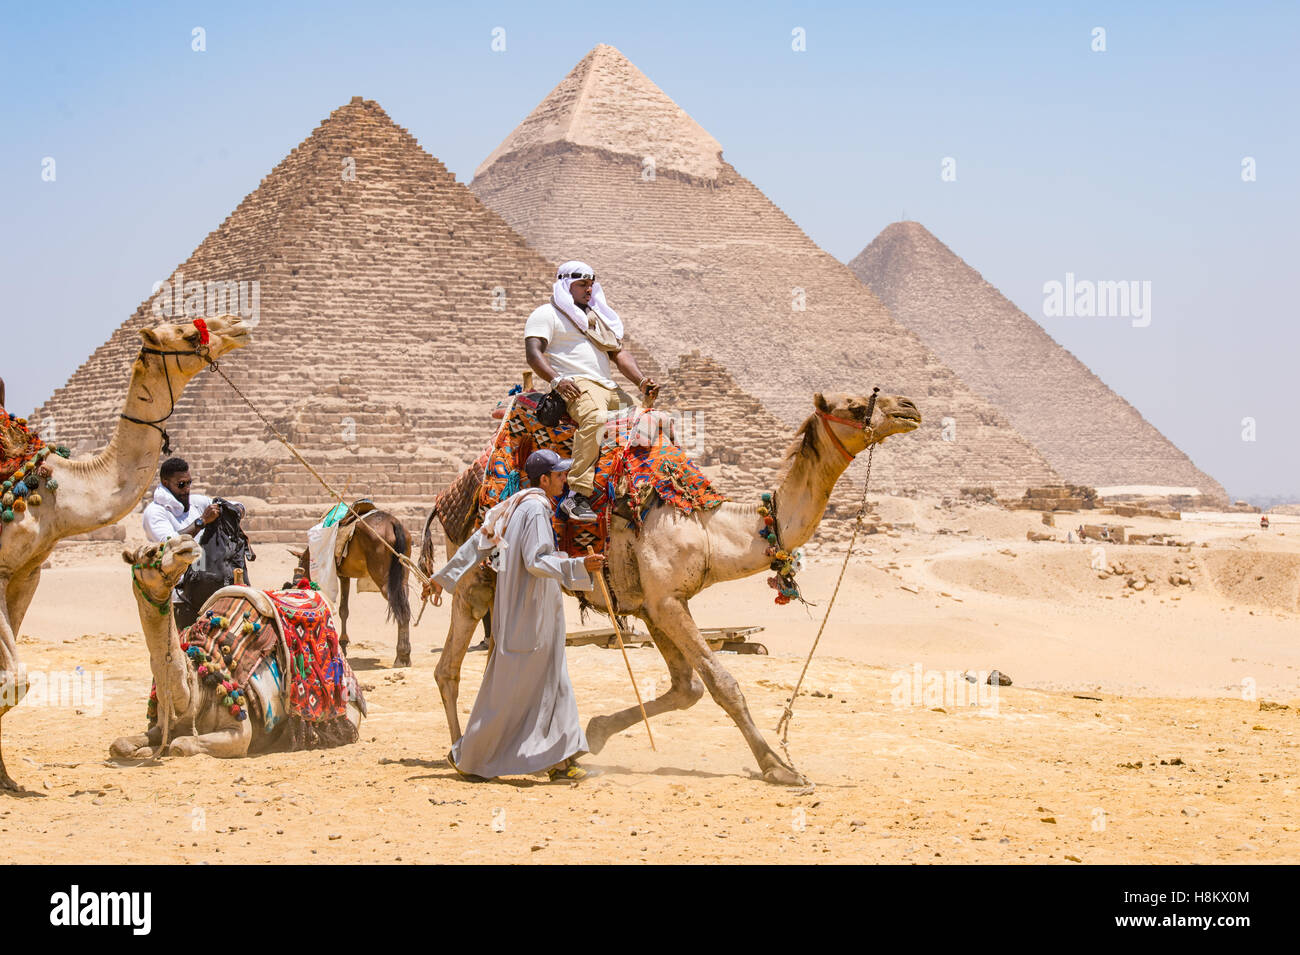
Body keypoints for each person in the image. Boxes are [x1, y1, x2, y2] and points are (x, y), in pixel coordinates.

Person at [427, 450, 605, 782]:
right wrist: (579, 566)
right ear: (544, 479)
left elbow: (477, 544)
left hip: (522, 615)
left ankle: (561, 762)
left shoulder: (511, 506)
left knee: (543, 687)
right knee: (525, 692)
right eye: (560, 475)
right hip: (532, 615)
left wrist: (442, 578)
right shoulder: (537, 510)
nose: (565, 480)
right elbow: (537, 561)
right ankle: (473, 758)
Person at [525, 260, 656, 522]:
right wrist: (556, 380)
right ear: (566, 286)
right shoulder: (547, 314)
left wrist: (641, 381)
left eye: (590, 284)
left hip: (609, 387)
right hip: (576, 384)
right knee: (595, 418)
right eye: (582, 284)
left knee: (651, 421)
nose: (589, 289)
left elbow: (619, 355)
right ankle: (577, 494)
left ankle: (645, 485)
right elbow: (533, 353)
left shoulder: (597, 319)